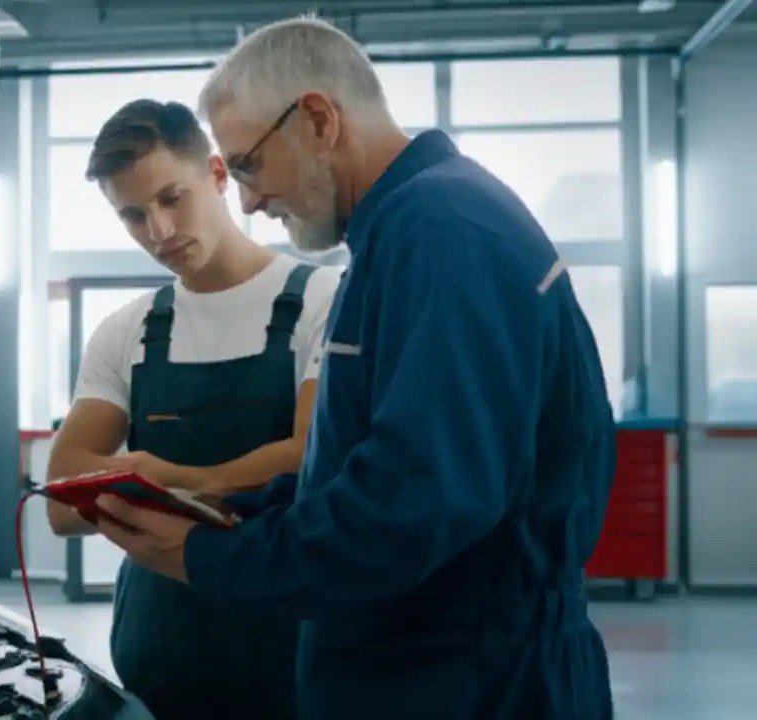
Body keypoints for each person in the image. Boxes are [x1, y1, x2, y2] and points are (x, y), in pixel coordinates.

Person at [90, 16, 617, 720]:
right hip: (426, 668)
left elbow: (415, 503)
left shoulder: (443, 234)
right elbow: (360, 464)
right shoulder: (403, 233)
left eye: (247, 165)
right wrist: (232, 513)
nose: (247, 199)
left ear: (317, 119)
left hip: (467, 682)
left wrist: (209, 559)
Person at [44, 98, 339, 719]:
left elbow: (314, 460)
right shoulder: (127, 330)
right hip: (160, 651)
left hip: (289, 647)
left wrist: (161, 476)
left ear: (217, 174)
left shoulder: (323, 301)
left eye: (171, 198)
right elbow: (62, 501)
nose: (158, 231)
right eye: (133, 215)